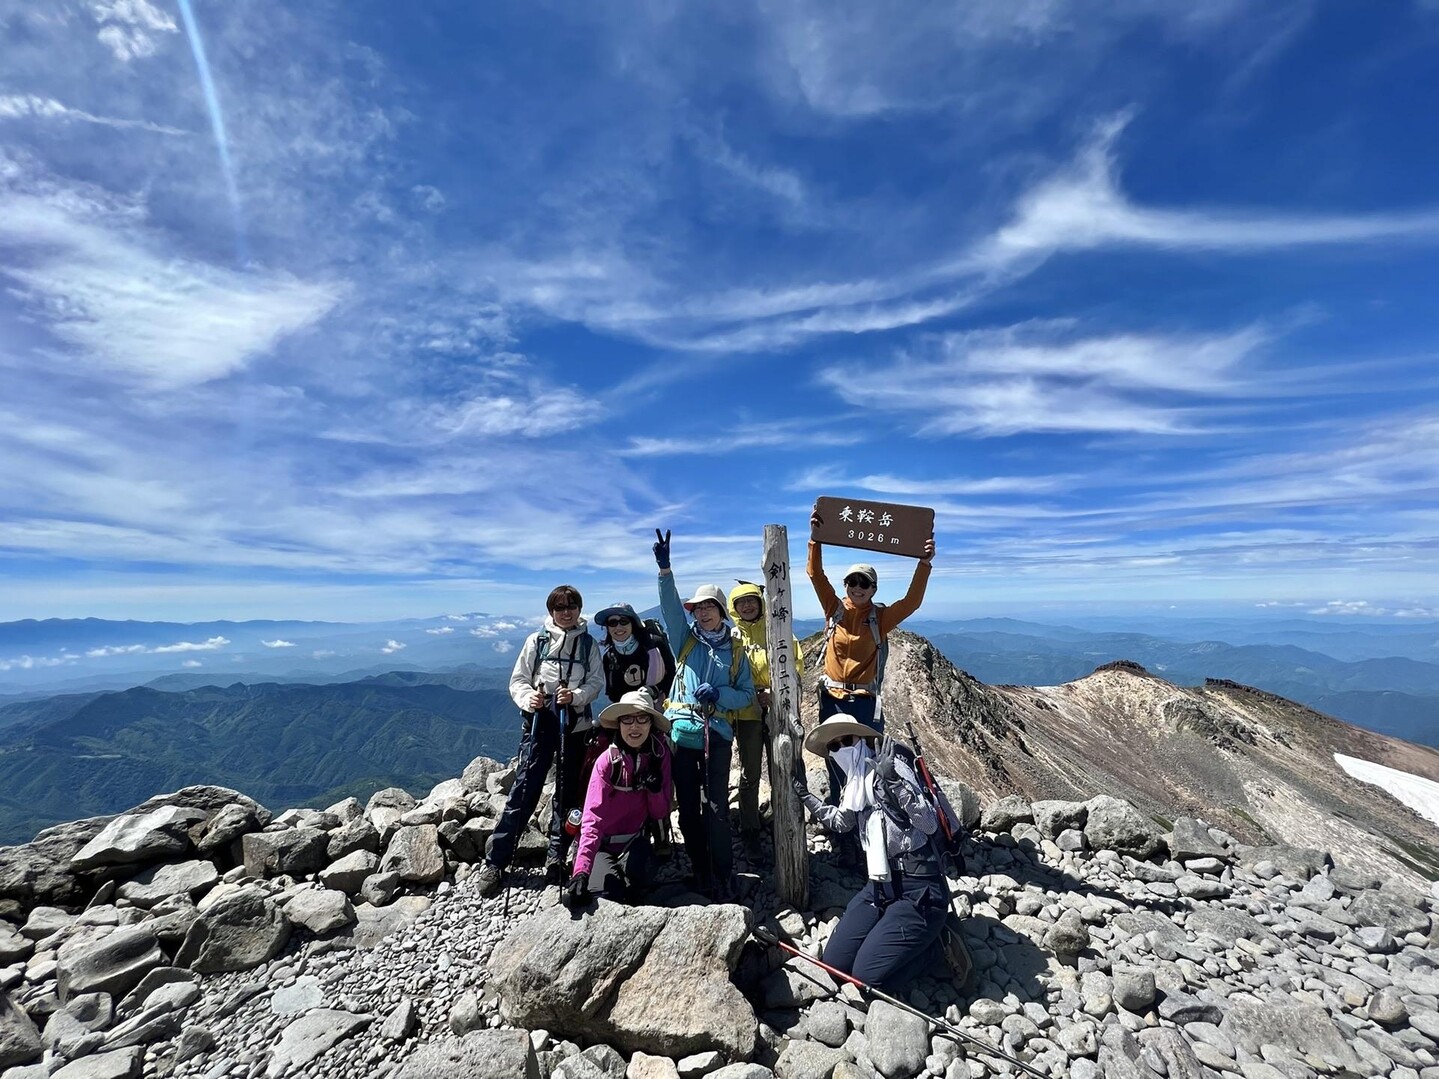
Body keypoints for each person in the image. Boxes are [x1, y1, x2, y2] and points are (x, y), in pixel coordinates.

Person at [790, 715, 947, 992]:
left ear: (862, 739)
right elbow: (843, 823)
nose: (842, 748)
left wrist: (894, 782)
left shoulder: (891, 766)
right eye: (834, 746)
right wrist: (807, 798)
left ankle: (937, 949)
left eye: (847, 740)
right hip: (879, 885)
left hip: (919, 889)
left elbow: (928, 823)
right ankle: (894, 937)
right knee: (834, 964)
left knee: (867, 980)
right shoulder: (854, 782)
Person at [476, 585, 605, 897]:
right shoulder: (537, 641)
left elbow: (596, 682)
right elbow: (518, 680)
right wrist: (529, 698)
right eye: (560, 607)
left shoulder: (588, 644)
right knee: (525, 789)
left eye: (571, 606)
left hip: (575, 727)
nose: (566, 612)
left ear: (579, 609)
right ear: (551, 611)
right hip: (539, 724)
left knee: (567, 793)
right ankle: (497, 861)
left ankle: (556, 858)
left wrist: (575, 696)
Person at [653, 528, 755, 899]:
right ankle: (700, 869)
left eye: (709, 607)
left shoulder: (736, 650)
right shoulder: (685, 640)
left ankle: (722, 872)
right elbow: (669, 609)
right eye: (698, 608)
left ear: (721, 611)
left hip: (718, 736)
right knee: (688, 809)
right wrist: (665, 572)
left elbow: (746, 695)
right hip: (683, 733)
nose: (703, 612)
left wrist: (720, 695)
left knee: (715, 808)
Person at [806, 509, 935, 732]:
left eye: (864, 583)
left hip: (864, 702)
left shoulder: (881, 618)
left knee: (867, 755)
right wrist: (815, 539)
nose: (858, 588)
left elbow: (911, 602)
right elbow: (815, 574)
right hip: (831, 699)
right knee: (834, 754)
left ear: (873, 589)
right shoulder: (833, 608)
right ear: (845, 585)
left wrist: (924, 564)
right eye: (852, 582)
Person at [561, 688, 673, 907]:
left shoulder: (659, 755)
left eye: (642, 718)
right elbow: (592, 819)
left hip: (634, 841)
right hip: (601, 845)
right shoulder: (607, 762)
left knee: (638, 887)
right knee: (607, 895)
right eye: (627, 719)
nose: (634, 726)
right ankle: (591, 870)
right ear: (619, 724)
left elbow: (660, 812)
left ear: (651, 723)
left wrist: (655, 790)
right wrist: (581, 871)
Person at [727, 581, 804, 856]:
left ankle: (780, 819)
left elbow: (796, 665)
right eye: (741, 602)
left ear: (761, 603)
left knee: (779, 769)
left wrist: (775, 692)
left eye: (752, 600)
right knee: (750, 772)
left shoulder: (778, 630)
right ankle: (750, 828)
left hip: (777, 709)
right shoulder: (732, 637)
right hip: (746, 712)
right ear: (733, 608)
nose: (747, 606)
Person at [593, 602, 669, 705]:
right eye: (613, 622)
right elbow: (613, 694)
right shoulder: (609, 657)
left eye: (624, 621)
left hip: (657, 709)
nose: (618, 627)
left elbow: (672, 676)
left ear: (633, 623)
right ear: (608, 627)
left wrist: (655, 690)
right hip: (626, 712)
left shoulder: (655, 644)